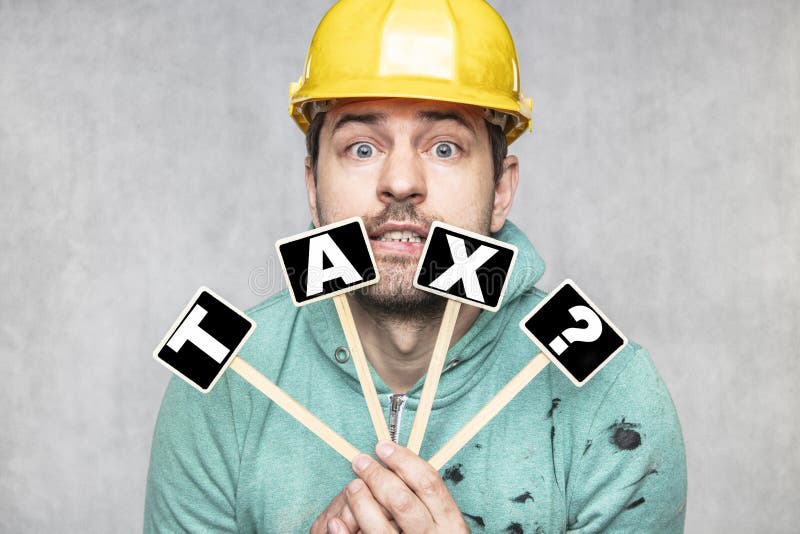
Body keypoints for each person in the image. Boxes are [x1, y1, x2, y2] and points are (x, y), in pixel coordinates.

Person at [144, 1, 687, 532]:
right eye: (361, 148)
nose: (401, 181)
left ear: (501, 189)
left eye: (445, 148)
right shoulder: (228, 381)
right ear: (312, 186)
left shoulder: (612, 394)